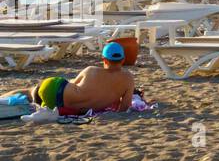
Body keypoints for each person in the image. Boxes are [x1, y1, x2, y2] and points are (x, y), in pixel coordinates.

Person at [2, 43, 135, 117]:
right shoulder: (128, 79)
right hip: (61, 106)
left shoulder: (91, 70)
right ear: (123, 59)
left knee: (29, 92)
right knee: (30, 96)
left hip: (55, 89)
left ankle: (2, 97)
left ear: (104, 60)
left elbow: (72, 84)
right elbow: (124, 107)